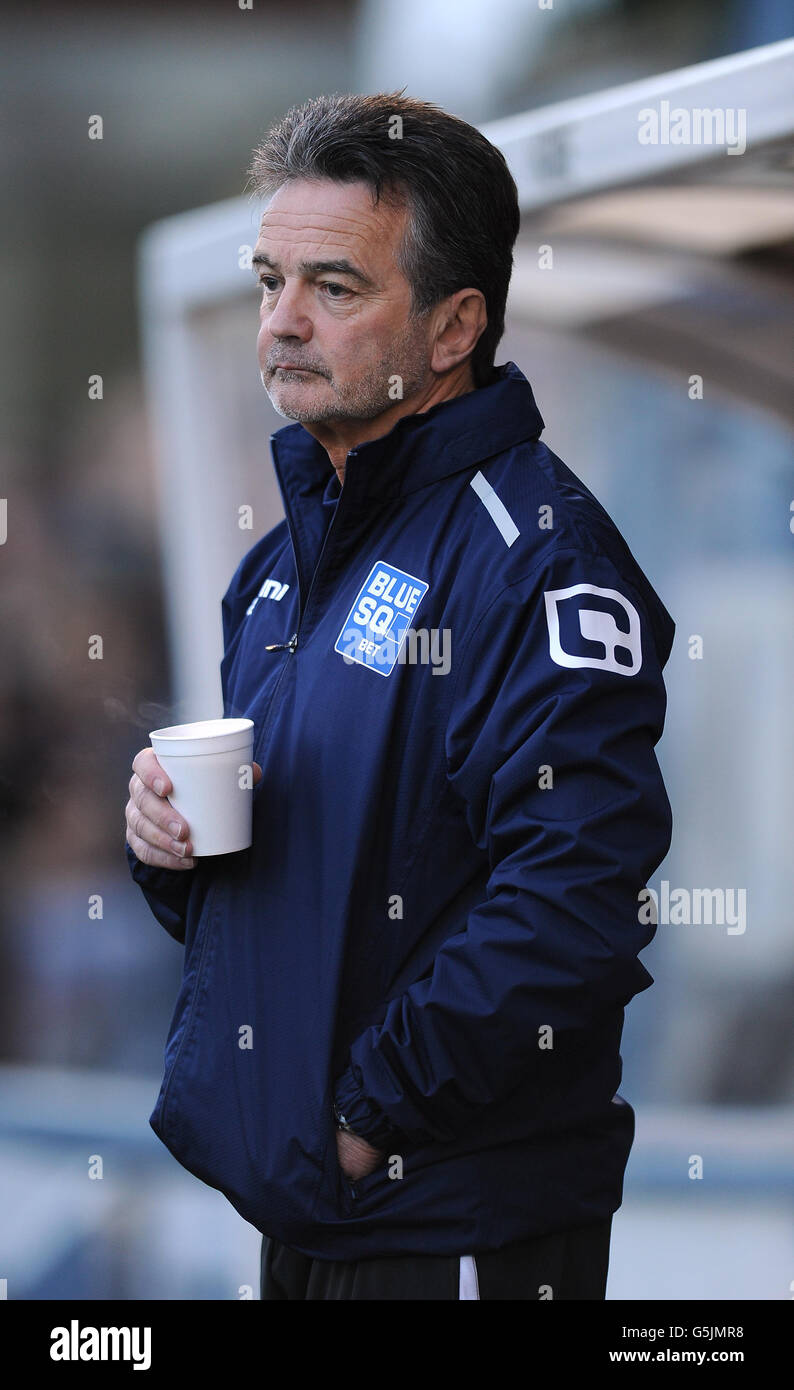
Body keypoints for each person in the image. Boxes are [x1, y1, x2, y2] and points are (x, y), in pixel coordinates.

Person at [125, 91, 675, 1301]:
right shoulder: (274, 573)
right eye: (269, 280)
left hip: (449, 1222)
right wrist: (167, 845)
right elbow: (292, 893)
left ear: (452, 327)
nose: (279, 322)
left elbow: (574, 900)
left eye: (333, 287)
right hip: (314, 1210)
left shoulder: (536, 553)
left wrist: (371, 1116)